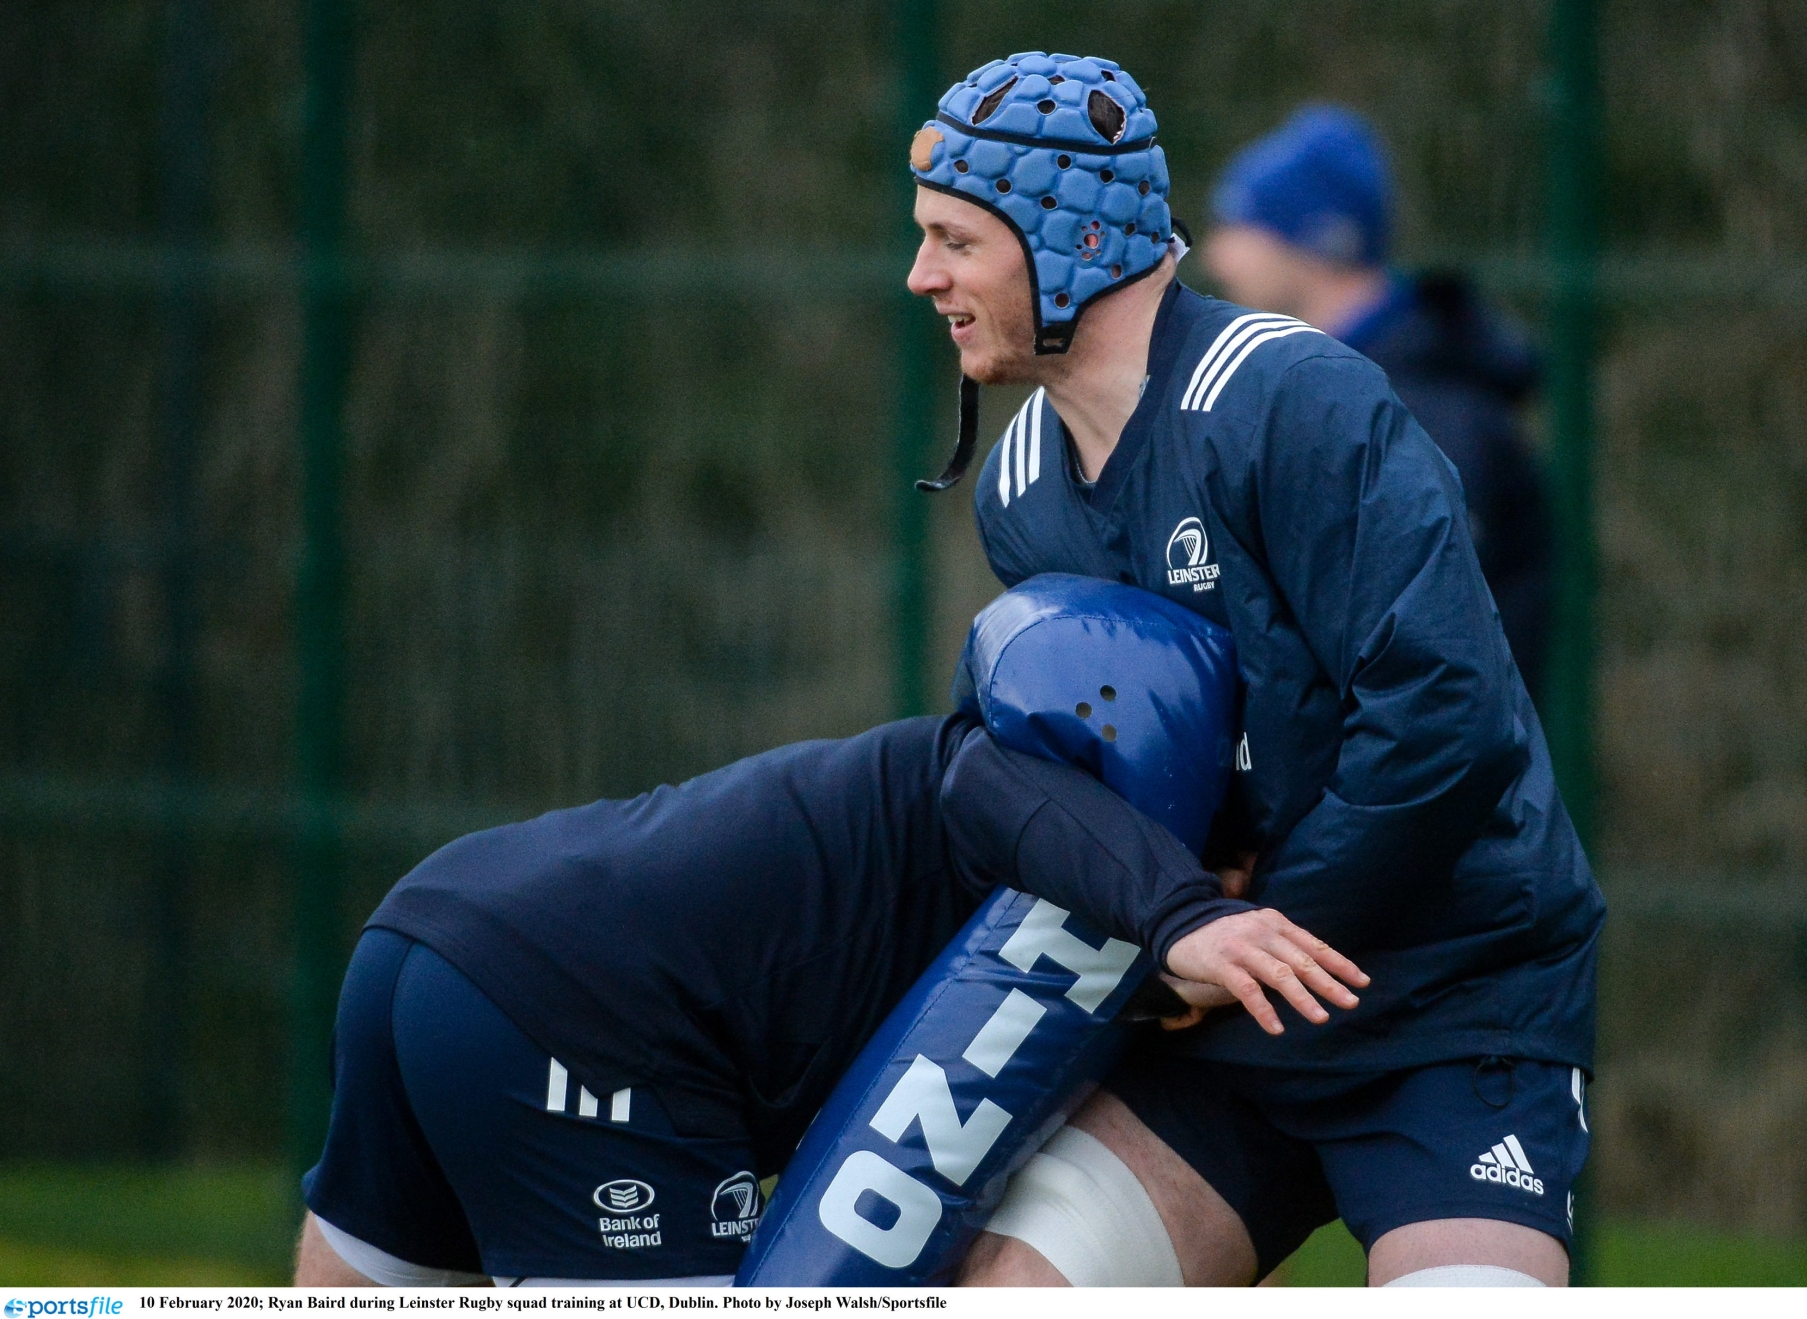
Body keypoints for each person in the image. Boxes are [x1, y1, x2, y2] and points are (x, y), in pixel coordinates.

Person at [903, 51, 1604, 1287]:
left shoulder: (1294, 399)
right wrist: (1180, 932)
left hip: (1446, 1007)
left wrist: (1237, 944)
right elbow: (1128, 763)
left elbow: (1452, 718)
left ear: (1061, 239)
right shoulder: (1018, 491)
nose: (924, 277)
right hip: (1224, 1028)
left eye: (957, 239)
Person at [291, 580, 1367, 1287]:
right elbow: (1025, 807)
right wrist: (1184, 917)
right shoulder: (1029, 806)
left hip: (428, 931)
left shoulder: (973, 822)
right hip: (575, 1017)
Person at [1203, 105, 1554, 696]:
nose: (1219, 257)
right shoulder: (1309, 388)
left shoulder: (1426, 412)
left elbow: (1424, 663)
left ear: (1316, 240)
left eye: (1246, 228)